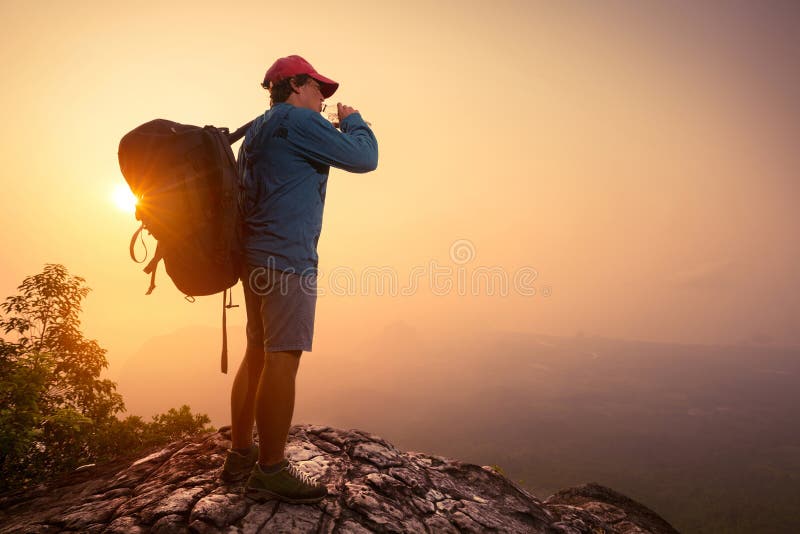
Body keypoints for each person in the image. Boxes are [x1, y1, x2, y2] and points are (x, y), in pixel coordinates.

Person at [220, 55, 378, 503]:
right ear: (295, 85)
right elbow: (365, 159)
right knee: (283, 357)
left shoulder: (257, 128)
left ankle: (240, 455)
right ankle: (271, 469)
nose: (324, 100)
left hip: (253, 259)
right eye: (319, 90)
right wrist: (355, 121)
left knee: (256, 351)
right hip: (286, 260)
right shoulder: (298, 122)